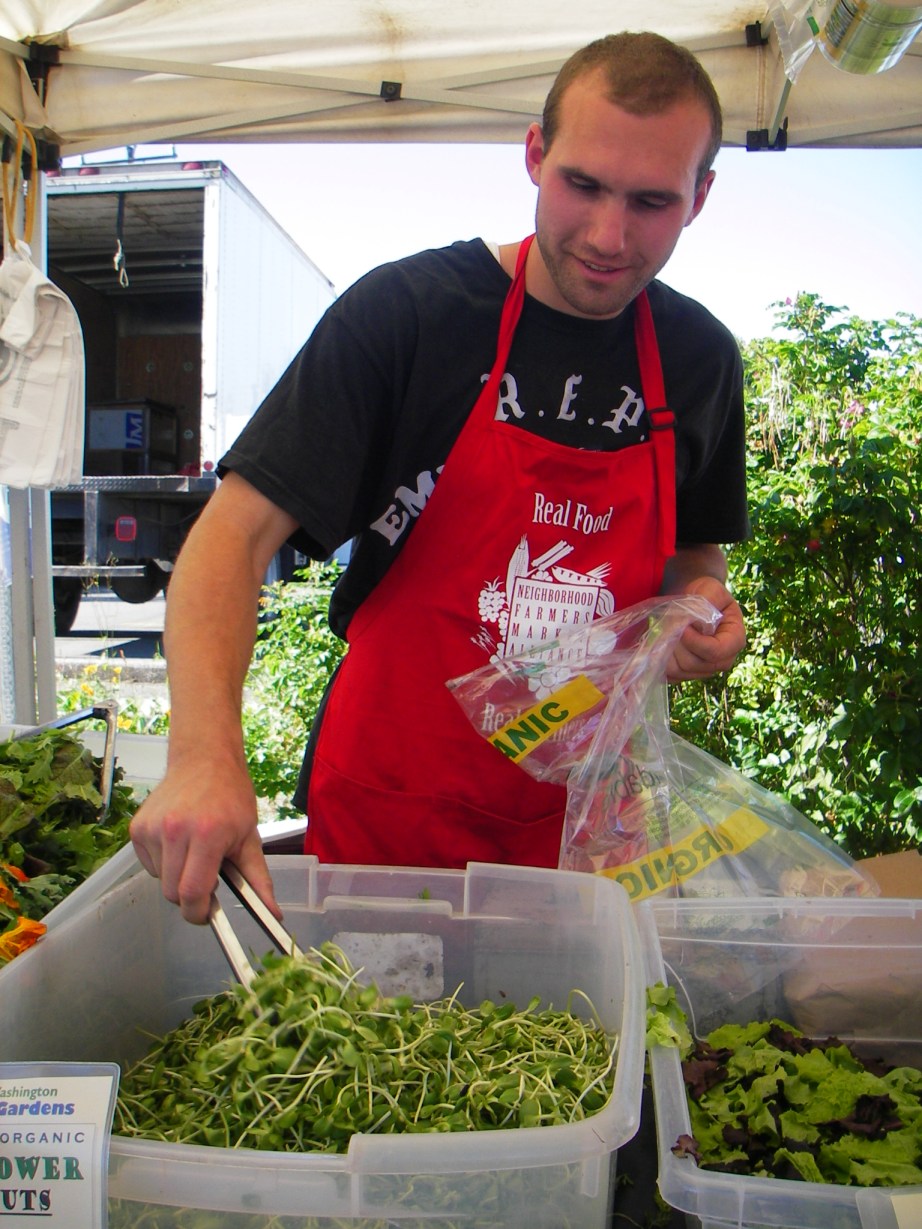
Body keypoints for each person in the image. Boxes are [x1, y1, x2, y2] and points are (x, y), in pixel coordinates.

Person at [130, 30, 749, 925]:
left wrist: (699, 616)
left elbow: (693, 555)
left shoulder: (698, 361)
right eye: (583, 185)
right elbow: (234, 535)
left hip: (580, 839)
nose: (609, 237)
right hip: (391, 816)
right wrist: (201, 752)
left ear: (700, 197)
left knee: (554, 1059)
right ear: (535, 156)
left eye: (652, 201)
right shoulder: (410, 316)